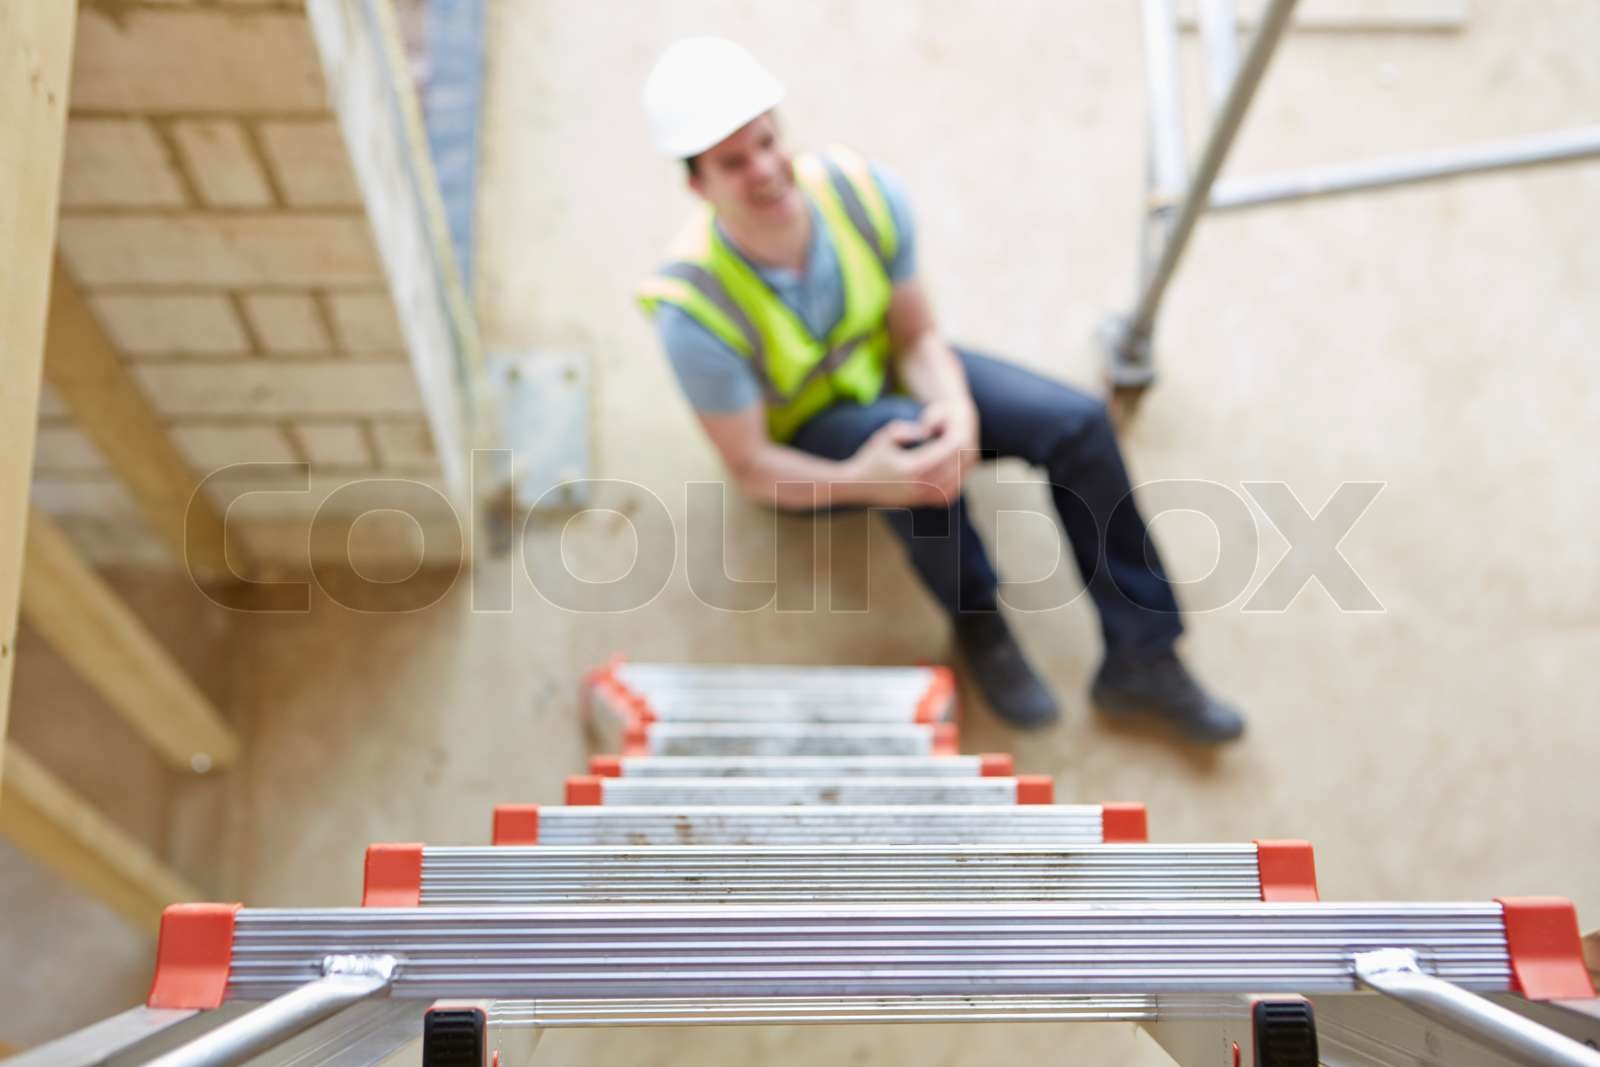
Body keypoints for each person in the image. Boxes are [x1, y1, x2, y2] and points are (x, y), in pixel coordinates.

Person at [636, 37, 1243, 742]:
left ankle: (1143, 653)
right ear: (697, 185)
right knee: (918, 458)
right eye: (733, 163)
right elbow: (751, 469)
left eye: (768, 142)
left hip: (894, 375)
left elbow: (918, 337)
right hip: (811, 442)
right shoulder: (693, 310)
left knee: (1077, 423)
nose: (767, 170)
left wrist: (956, 409)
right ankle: (978, 619)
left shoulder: (862, 196)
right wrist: (862, 479)